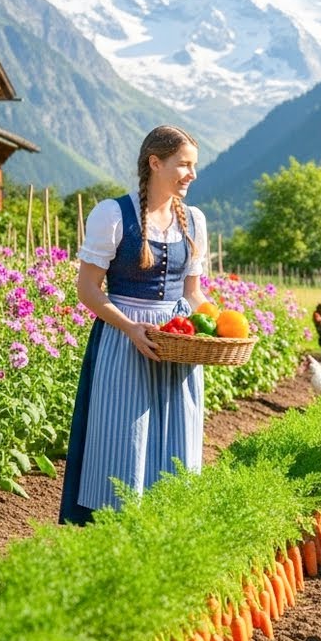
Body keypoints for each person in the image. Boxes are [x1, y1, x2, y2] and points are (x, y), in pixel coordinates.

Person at [58, 125, 210, 525]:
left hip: (177, 341)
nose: (192, 174)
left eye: (194, 165)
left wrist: (222, 328)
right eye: (184, 165)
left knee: (177, 440)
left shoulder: (193, 221)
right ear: (155, 162)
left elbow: (194, 295)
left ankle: (165, 529)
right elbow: (88, 290)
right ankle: (112, 529)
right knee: (123, 437)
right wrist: (130, 328)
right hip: (124, 339)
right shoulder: (113, 214)